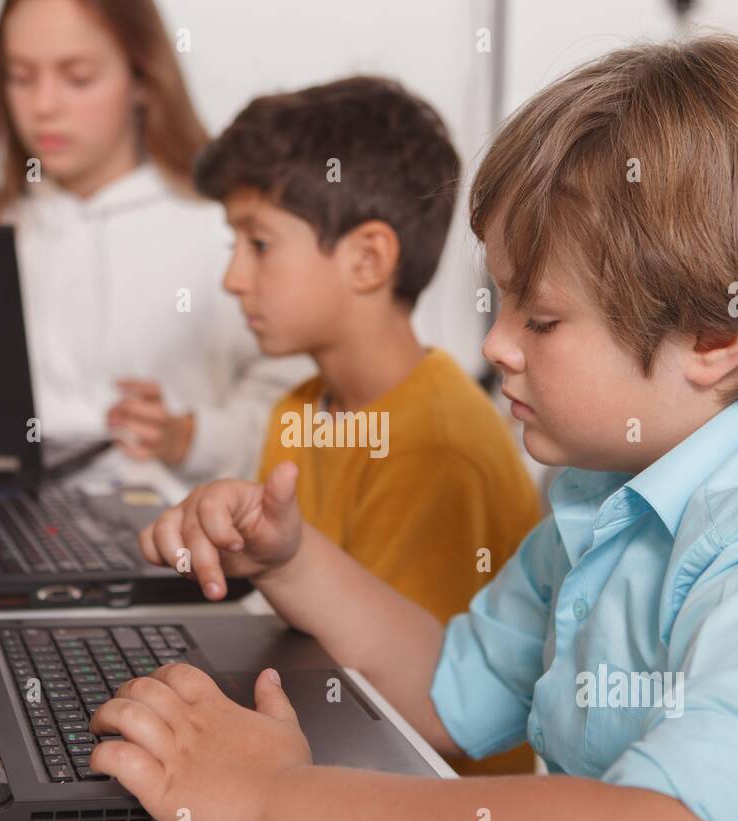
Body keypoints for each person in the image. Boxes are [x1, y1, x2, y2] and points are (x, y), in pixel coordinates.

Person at [100, 35, 738, 821]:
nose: (496, 346)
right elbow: (454, 692)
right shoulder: (612, 484)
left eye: (543, 318)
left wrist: (269, 802)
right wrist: (290, 560)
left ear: (715, 337)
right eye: (500, 306)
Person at [193, 75, 541, 775]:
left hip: (423, 797)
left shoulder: (439, 446)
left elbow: (412, 717)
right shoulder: (299, 409)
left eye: (257, 243)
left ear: (368, 259)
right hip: (329, 736)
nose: (233, 277)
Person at [0, 0, 308, 480]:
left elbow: (304, 409)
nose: (44, 106)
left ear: (141, 79)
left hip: (175, 536)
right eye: (22, 77)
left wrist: (190, 437)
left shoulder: (224, 229)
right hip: (24, 522)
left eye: (78, 77)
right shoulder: (2, 230)